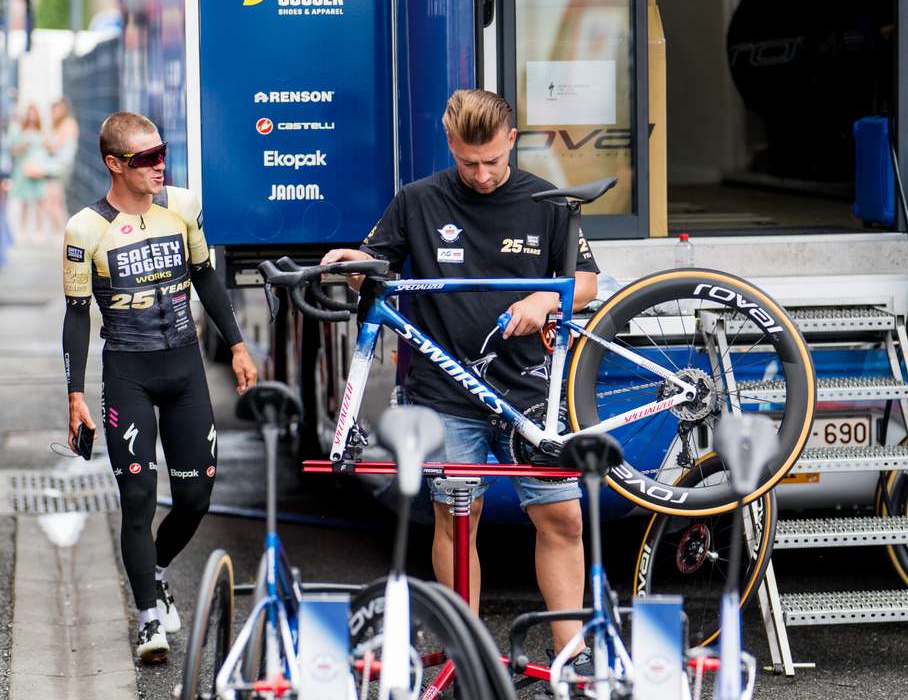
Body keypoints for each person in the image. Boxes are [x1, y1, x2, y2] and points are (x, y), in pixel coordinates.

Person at [322, 89, 599, 669]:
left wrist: (547, 299)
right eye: (469, 161)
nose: (481, 174)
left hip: (530, 390)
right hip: (446, 393)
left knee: (563, 517)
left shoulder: (549, 203)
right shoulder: (417, 200)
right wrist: (350, 265)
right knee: (456, 517)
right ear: (451, 144)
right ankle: (465, 655)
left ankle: (569, 656)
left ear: (512, 142)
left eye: (494, 161)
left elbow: (588, 283)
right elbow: (374, 272)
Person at [61, 112, 257, 663]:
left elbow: (205, 277)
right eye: (145, 158)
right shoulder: (85, 229)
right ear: (114, 165)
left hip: (185, 371)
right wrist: (75, 394)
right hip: (128, 375)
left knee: (196, 496)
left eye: (161, 152)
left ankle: (157, 572)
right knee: (138, 499)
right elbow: (77, 316)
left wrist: (239, 344)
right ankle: (148, 618)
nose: (159, 164)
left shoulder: (183, 205)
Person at [9, 104, 48, 243]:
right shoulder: (20, 131)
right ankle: (23, 230)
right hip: (24, 169)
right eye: (29, 114)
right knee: (25, 201)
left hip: (37, 169)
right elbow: (13, 151)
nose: (31, 117)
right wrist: (23, 147)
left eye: (34, 114)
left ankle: (39, 231)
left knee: (39, 201)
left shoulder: (42, 131)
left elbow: (47, 149)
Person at [41, 99, 79, 234]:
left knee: (53, 203)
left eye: (56, 109)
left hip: (61, 167)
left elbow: (52, 146)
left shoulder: (68, 124)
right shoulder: (60, 124)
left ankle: (66, 233)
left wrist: (46, 140)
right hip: (58, 165)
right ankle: (62, 232)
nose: (53, 113)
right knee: (55, 202)